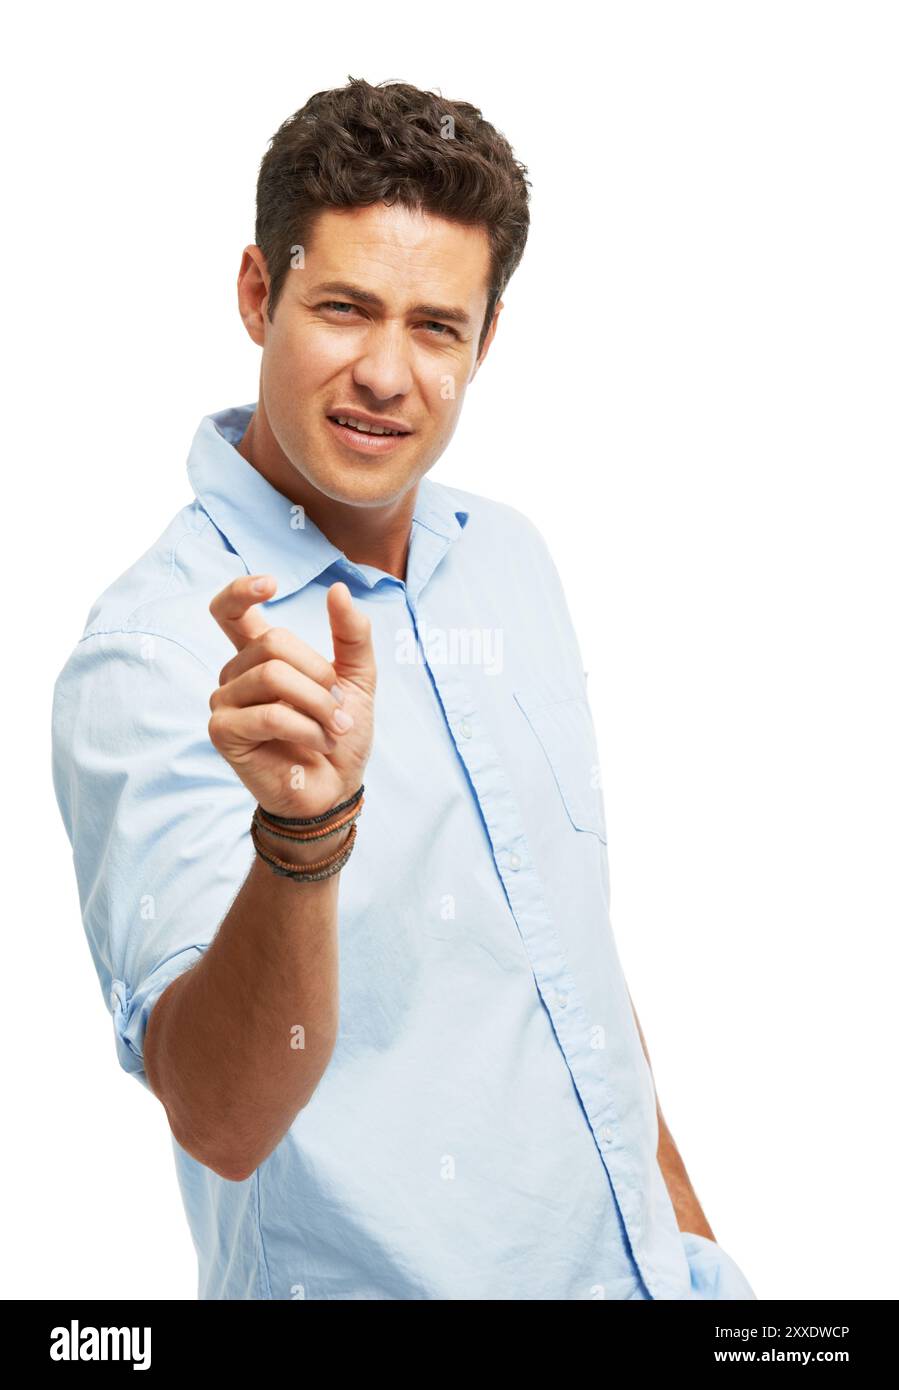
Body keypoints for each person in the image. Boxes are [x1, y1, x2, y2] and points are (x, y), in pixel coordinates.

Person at [51, 76, 756, 1301]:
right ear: (257, 296)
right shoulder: (159, 652)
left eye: (435, 325)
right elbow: (217, 1114)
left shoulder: (507, 558)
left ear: (484, 342)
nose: (386, 372)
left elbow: (565, 959)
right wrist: (301, 838)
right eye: (342, 309)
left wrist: (693, 1256)